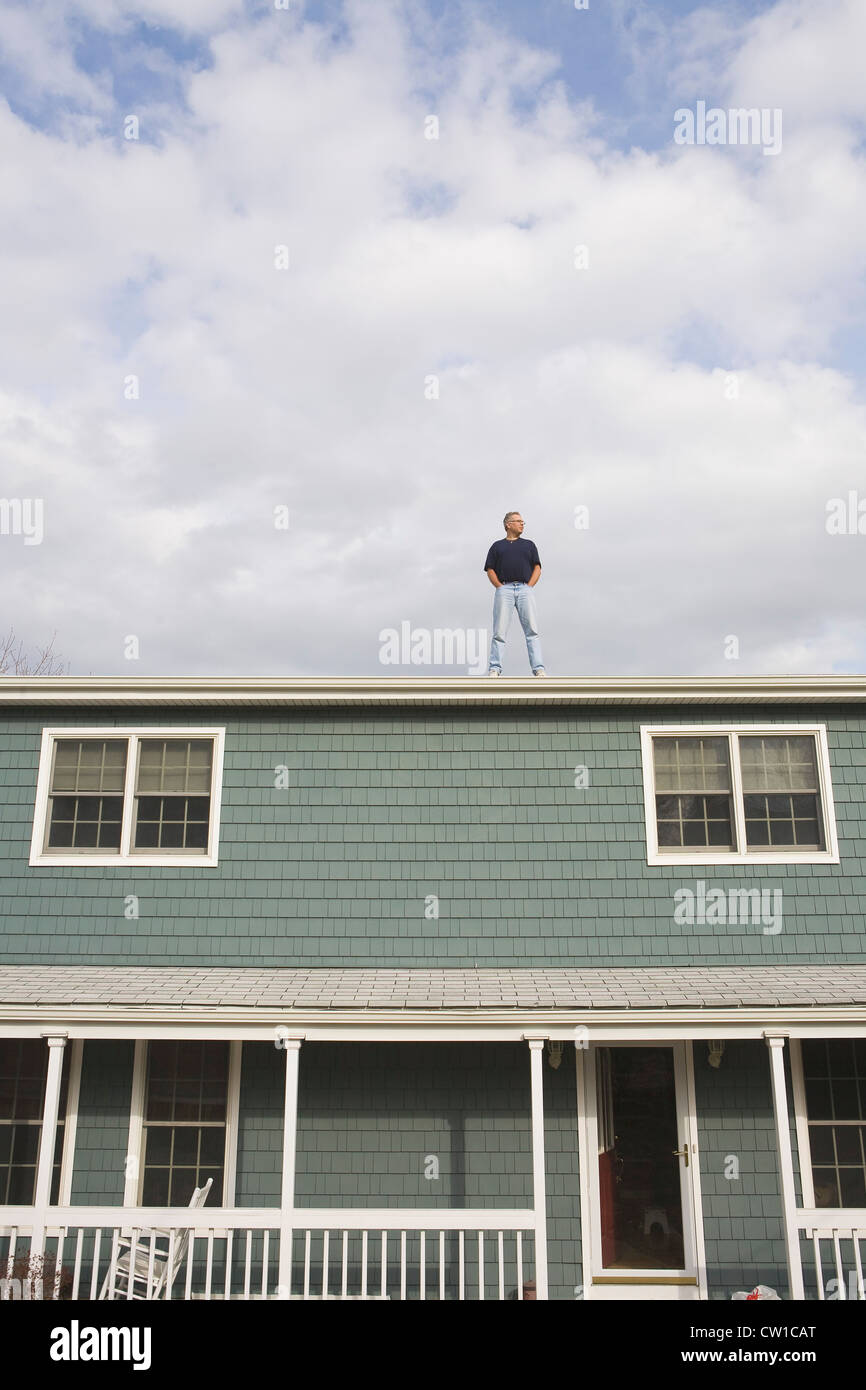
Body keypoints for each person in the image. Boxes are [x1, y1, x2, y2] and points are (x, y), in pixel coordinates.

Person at [483, 512, 547, 676]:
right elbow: (490, 569)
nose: (522, 524)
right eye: (518, 521)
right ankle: (494, 669)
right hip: (504, 589)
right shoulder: (497, 546)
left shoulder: (529, 545)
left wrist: (529, 586)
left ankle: (539, 669)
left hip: (525, 589)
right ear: (508, 524)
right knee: (499, 632)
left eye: (522, 521)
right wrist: (499, 586)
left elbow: (537, 567)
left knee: (532, 631)